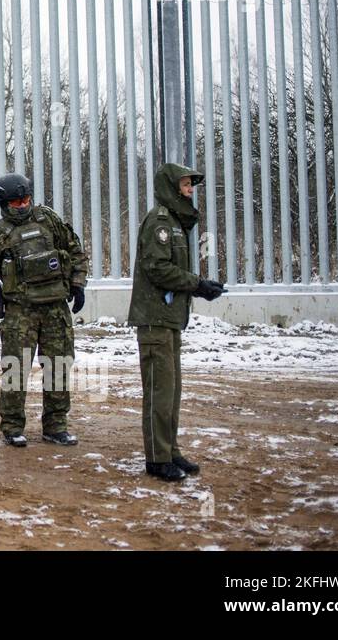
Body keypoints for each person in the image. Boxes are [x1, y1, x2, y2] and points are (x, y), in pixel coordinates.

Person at [0, 173, 87, 447]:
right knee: (15, 371)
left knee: (58, 366)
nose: (22, 206)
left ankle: (55, 425)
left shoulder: (48, 220)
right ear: (4, 204)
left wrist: (78, 284)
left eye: (26, 200)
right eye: (16, 202)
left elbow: (76, 251)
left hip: (55, 310)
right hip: (20, 313)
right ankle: (12, 426)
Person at [127, 162, 226, 482]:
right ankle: (157, 458)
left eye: (191, 185)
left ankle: (169, 450)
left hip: (168, 319)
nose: (190, 190)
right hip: (154, 319)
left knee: (172, 390)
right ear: (170, 187)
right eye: (185, 184)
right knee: (160, 391)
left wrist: (197, 284)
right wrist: (197, 284)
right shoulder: (159, 222)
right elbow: (156, 267)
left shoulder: (174, 223)